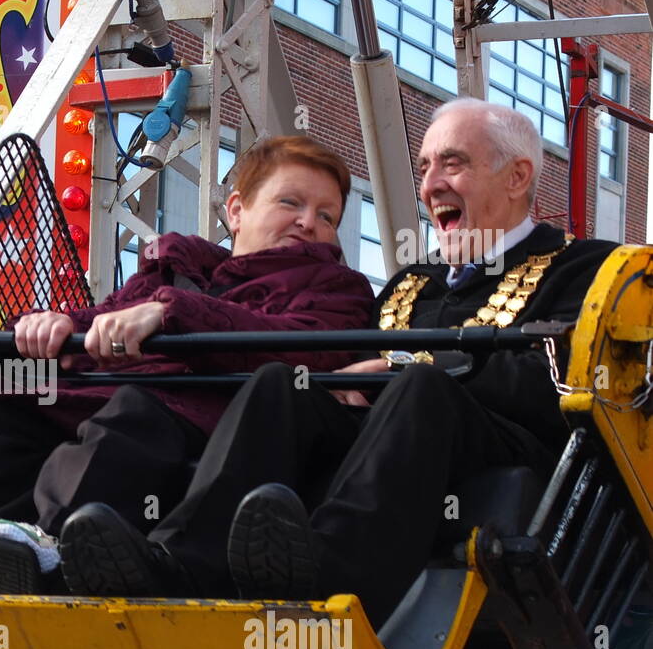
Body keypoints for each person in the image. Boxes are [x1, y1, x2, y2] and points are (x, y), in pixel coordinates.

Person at [59, 98, 615, 620]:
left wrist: (399, 370)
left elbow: (559, 377)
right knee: (284, 384)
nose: (430, 185)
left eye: (453, 163)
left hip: (505, 452)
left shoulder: (585, 267)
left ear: (517, 177)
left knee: (419, 388)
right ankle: (186, 562)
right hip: (392, 444)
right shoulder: (408, 285)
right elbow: (344, 379)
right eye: (424, 167)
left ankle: (331, 579)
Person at [0, 135, 375, 594]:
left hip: (204, 417)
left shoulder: (337, 289)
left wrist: (172, 315)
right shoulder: (175, 271)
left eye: (327, 215)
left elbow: (305, 348)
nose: (310, 222)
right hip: (108, 401)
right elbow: (104, 317)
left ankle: (48, 549)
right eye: (291, 202)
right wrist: (58, 326)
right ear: (237, 210)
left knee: (132, 417)